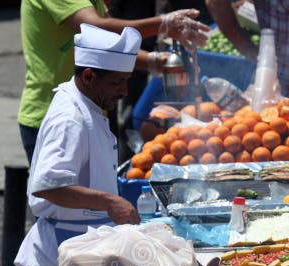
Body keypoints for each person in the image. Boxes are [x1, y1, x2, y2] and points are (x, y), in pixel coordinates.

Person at [15, 24, 142, 266]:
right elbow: (47, 185)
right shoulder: (70, 117)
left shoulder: (88, 107)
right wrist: (109, 201)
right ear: (89, 76)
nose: (124, 90)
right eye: (116, 82)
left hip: (80, 253)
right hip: (58, 259)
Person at [18, 1, 211, 164]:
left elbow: (110, 48)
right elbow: (95, 28)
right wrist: (164, 24)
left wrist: (156, 61)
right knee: (63, 200)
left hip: (92, 114)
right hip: (54, 116)